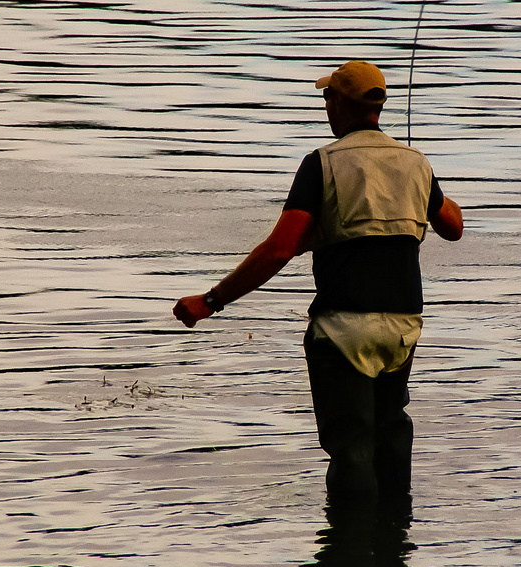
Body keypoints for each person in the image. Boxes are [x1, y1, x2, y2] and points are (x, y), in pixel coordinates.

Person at [174, 60, 463, 507]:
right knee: (391, 438)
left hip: (343, 328)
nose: (325, 104)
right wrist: (419, 181)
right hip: (404, 327)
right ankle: (394, 549)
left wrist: (211, 300)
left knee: (351, 450)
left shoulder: (321, 164)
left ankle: (349, 560)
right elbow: (453, 226)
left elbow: (279, 249)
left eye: (327, 97)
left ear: (339, 104)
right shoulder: (416, 164)